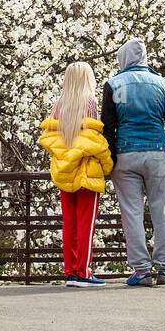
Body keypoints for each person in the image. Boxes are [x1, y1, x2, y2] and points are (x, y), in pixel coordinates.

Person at [101, 37, 165, 286]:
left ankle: (141, 270)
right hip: (157, 153)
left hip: (125, 156)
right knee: (162, 210)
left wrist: (110, 161)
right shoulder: (161, 83)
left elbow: (107, 128)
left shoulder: (113, 84)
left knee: (131, 214)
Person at [38, 61, 113, 287]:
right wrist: (107, 164)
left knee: (69, 224)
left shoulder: (59, 104)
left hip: (64, 172)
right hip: (86, 171)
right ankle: (84, 272)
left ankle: (70, 272)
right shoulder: (89, 102)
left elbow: (52, 138)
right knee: (85, 224)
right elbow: (94, 140)